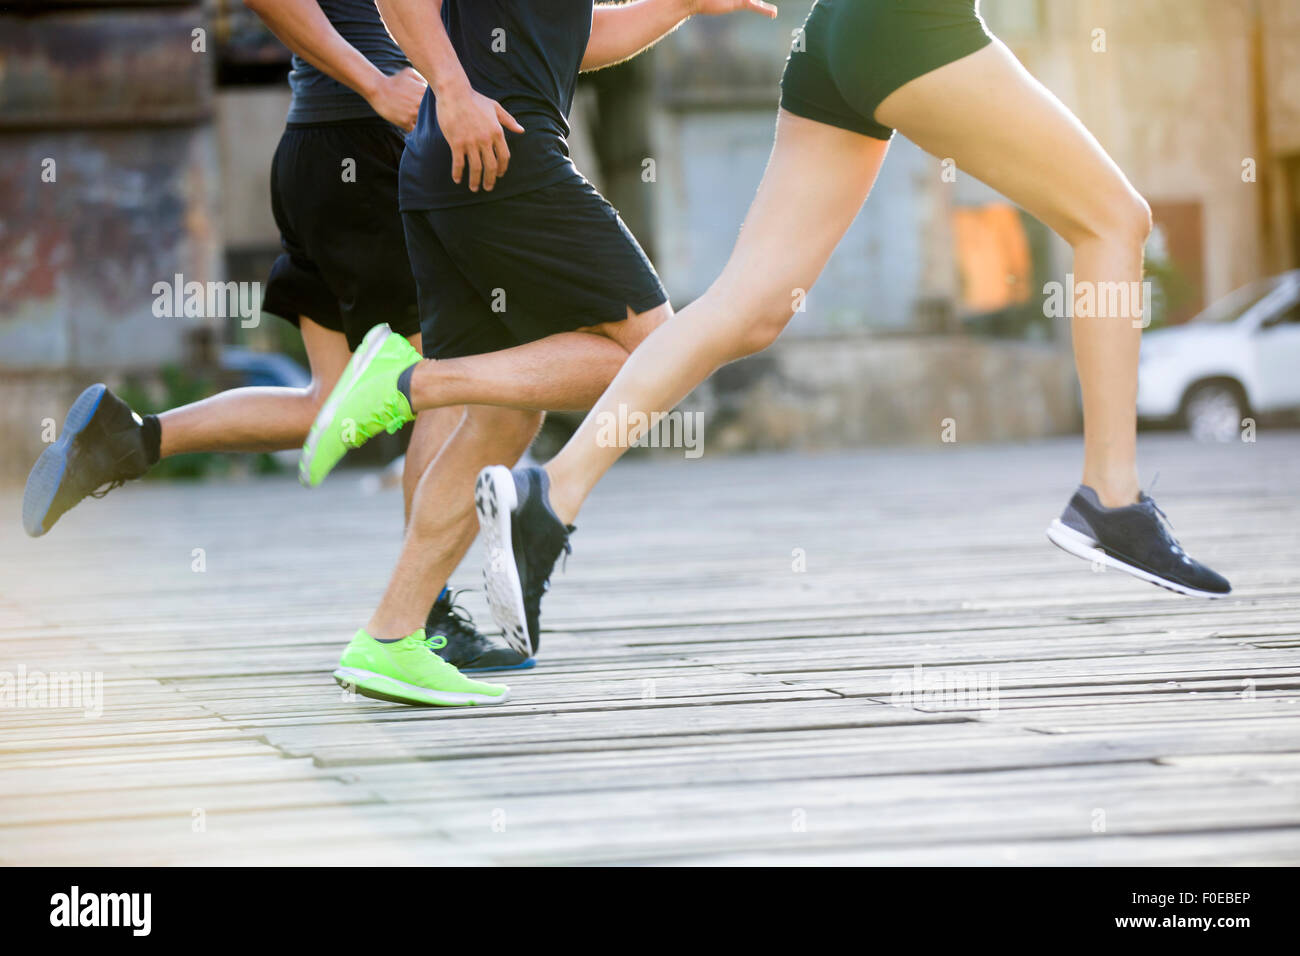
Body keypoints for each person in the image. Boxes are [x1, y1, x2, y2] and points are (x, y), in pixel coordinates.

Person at [469, 0, 1232, 655]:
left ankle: (550, 497)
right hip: (911, 28)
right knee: (1115, 221)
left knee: (749, 305)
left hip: (837, 35)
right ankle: (1112, 497)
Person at [20, 0, 510, 705]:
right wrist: (377, 83)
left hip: (324, 147)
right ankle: (421, 620)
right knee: (440, 377)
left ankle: (126, 440)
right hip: (365, 141)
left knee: (335, 398)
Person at [300, 0, 779, 698]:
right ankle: (415, 383)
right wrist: (456, 91)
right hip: (503, 155)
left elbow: (573, 39)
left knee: (501, 420)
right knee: (656, 349)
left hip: (459, 163)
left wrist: (683, 4)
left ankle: (390, 637)